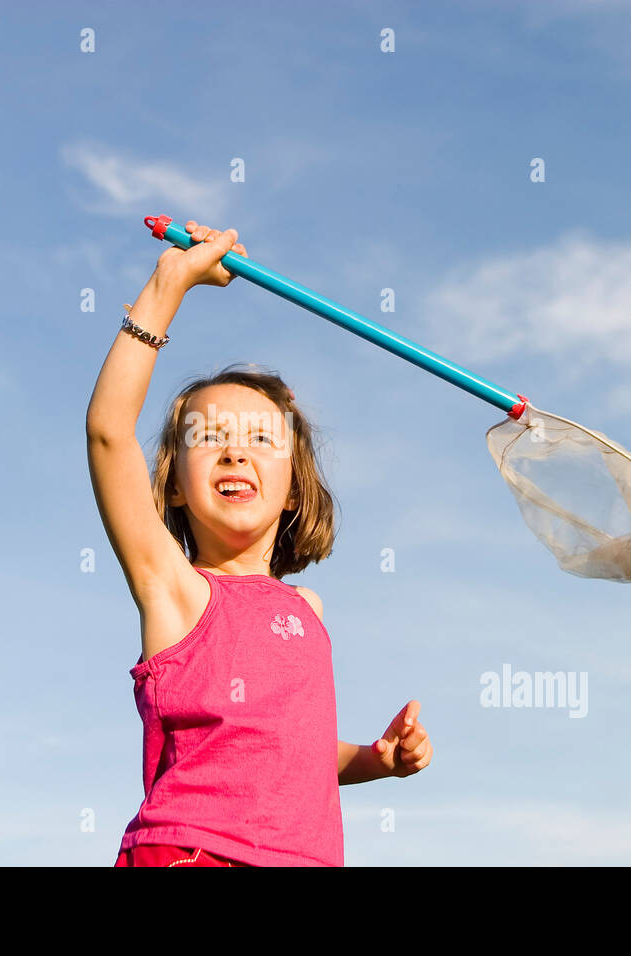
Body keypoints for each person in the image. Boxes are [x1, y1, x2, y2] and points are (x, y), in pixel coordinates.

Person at [87, 220, 433, 867]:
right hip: (196, 853)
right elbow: (108, 432)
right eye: (210, 436)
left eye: (261, 438)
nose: (235, 450)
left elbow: (286, 750)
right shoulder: (176, 589)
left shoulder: (308, 610)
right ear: (177, 487)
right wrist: (171, 283)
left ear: (295, 488)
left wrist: (373, 761)